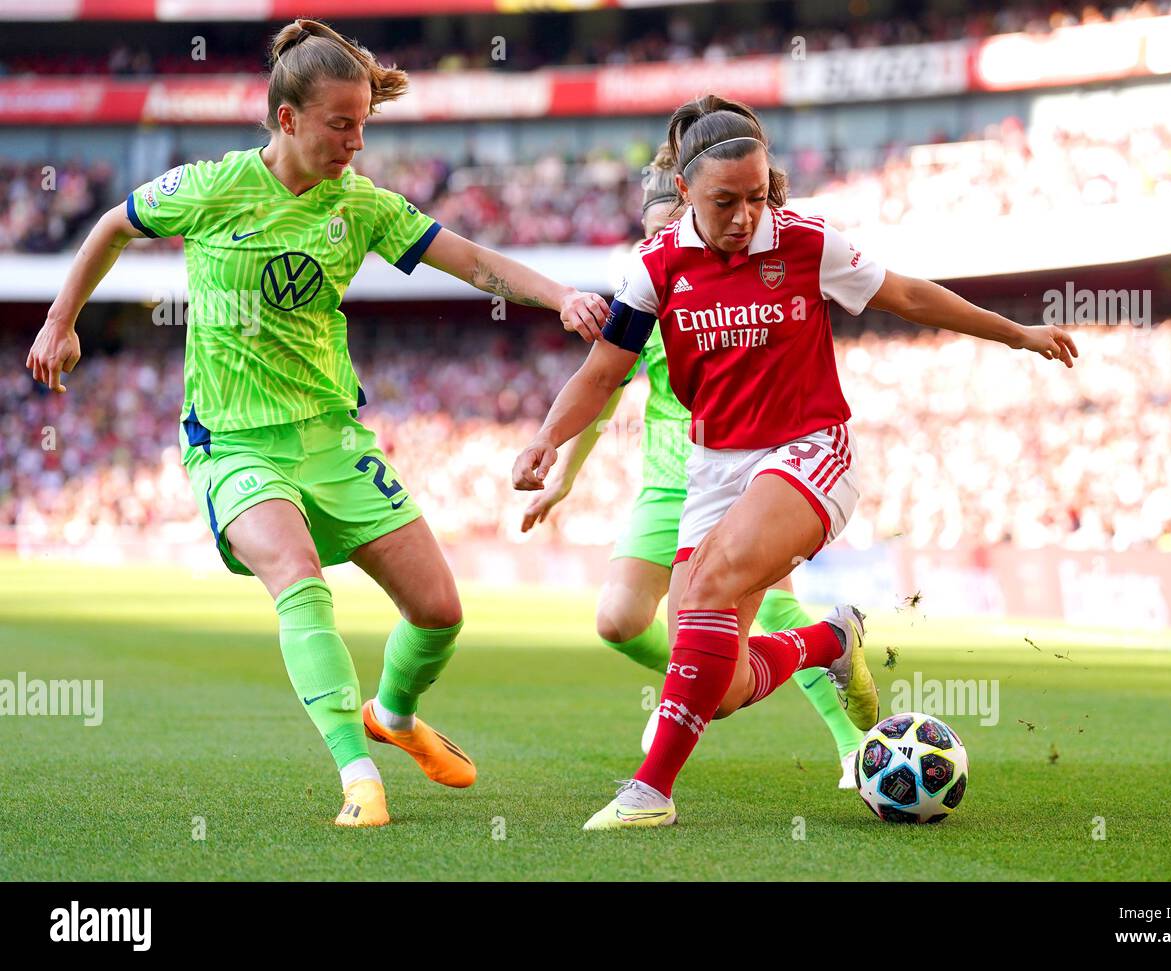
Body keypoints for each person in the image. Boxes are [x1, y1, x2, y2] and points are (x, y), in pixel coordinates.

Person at [25, 19, 609, 829]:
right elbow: (112, 225)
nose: (356, 142)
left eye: (364, 124)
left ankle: (393, 716)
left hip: (333, 437)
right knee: (299, 579)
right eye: (342, 124)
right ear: (288, 118)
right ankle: (358, 773)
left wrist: (563, 294)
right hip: (231, 442)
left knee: (440, 609)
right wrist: (61, 321)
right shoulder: (211, 185)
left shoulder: (360, 205)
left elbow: (474, 261)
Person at [513, 94, 1077, 830]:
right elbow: (598, 373)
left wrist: (1015, 334)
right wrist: (547, 439)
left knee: (711, 584)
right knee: (710, 684)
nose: (745, 215)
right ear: (684, 192)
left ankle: (650, 790)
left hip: (810, 450)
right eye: (724, 201)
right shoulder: (655, 266)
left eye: (755, 195)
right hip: (715, 467)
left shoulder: (808, 242)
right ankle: (830, 640)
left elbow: (905, 294)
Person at [521, 144, 864, 786]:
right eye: (650, 233)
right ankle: (697, 683)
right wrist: (562, 476)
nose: (660, 242)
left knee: (773, 606)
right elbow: (602, 391)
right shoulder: (645, 289)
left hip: (744, 468)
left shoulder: (732, 278)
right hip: (665, 483)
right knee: (618, 621)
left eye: (667, 228)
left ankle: (850, 741)